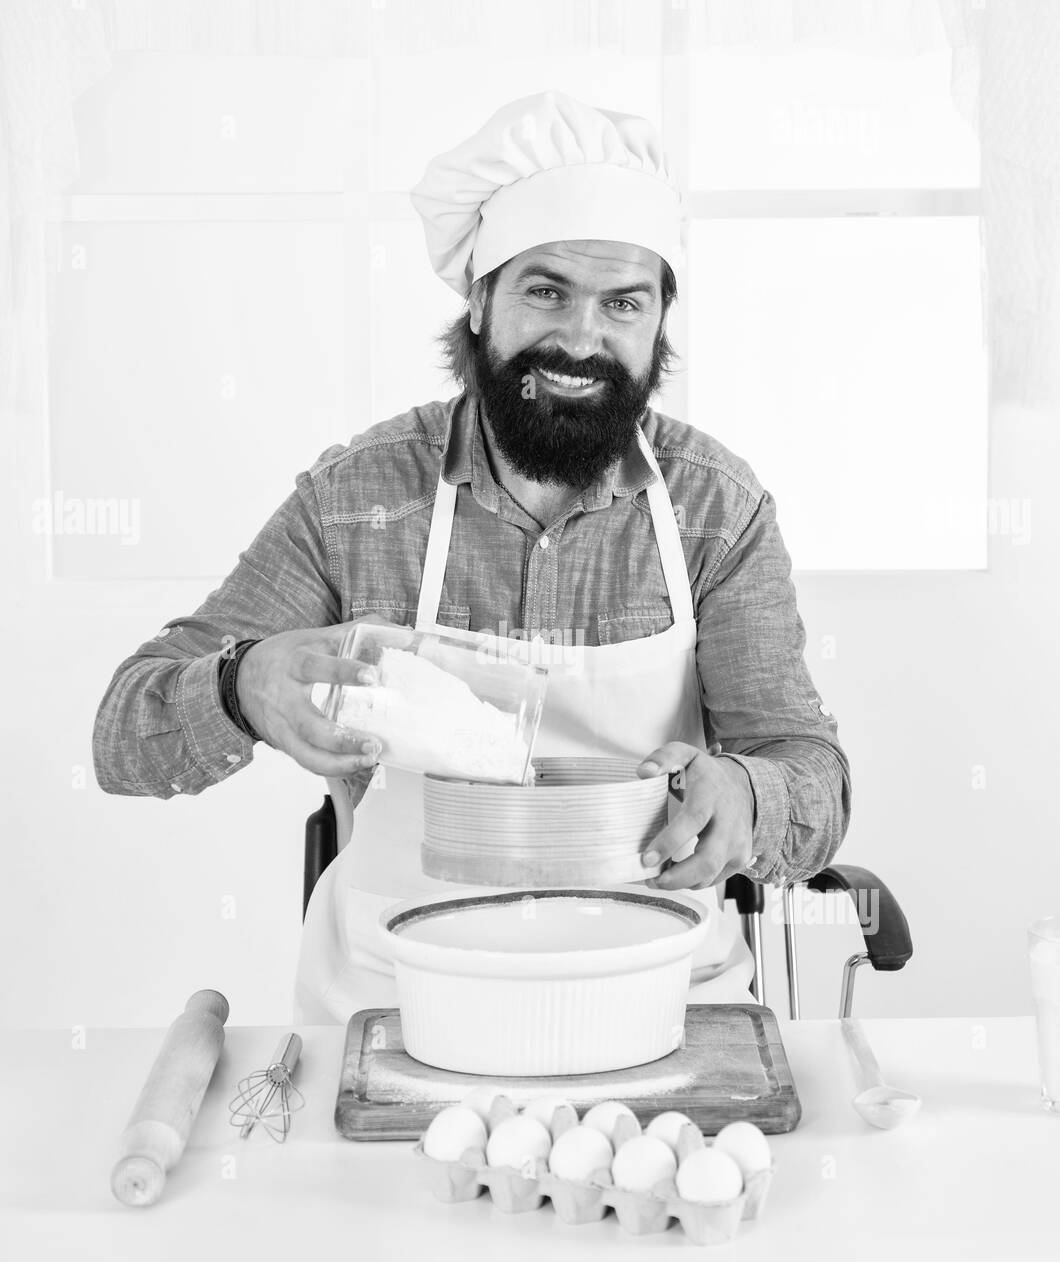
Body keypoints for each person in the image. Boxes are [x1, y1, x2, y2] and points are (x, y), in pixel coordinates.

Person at [93, 91, 850, 1023]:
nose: (582, 339)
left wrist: (749, 789)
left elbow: (810, 772)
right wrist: (237, 686)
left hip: (660, 994)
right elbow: (122, 737)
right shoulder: (357, 503)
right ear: (479, 299)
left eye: (623, 303)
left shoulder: (716, 513)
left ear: (660, 323)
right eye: (545, 291)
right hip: (395, 1002)